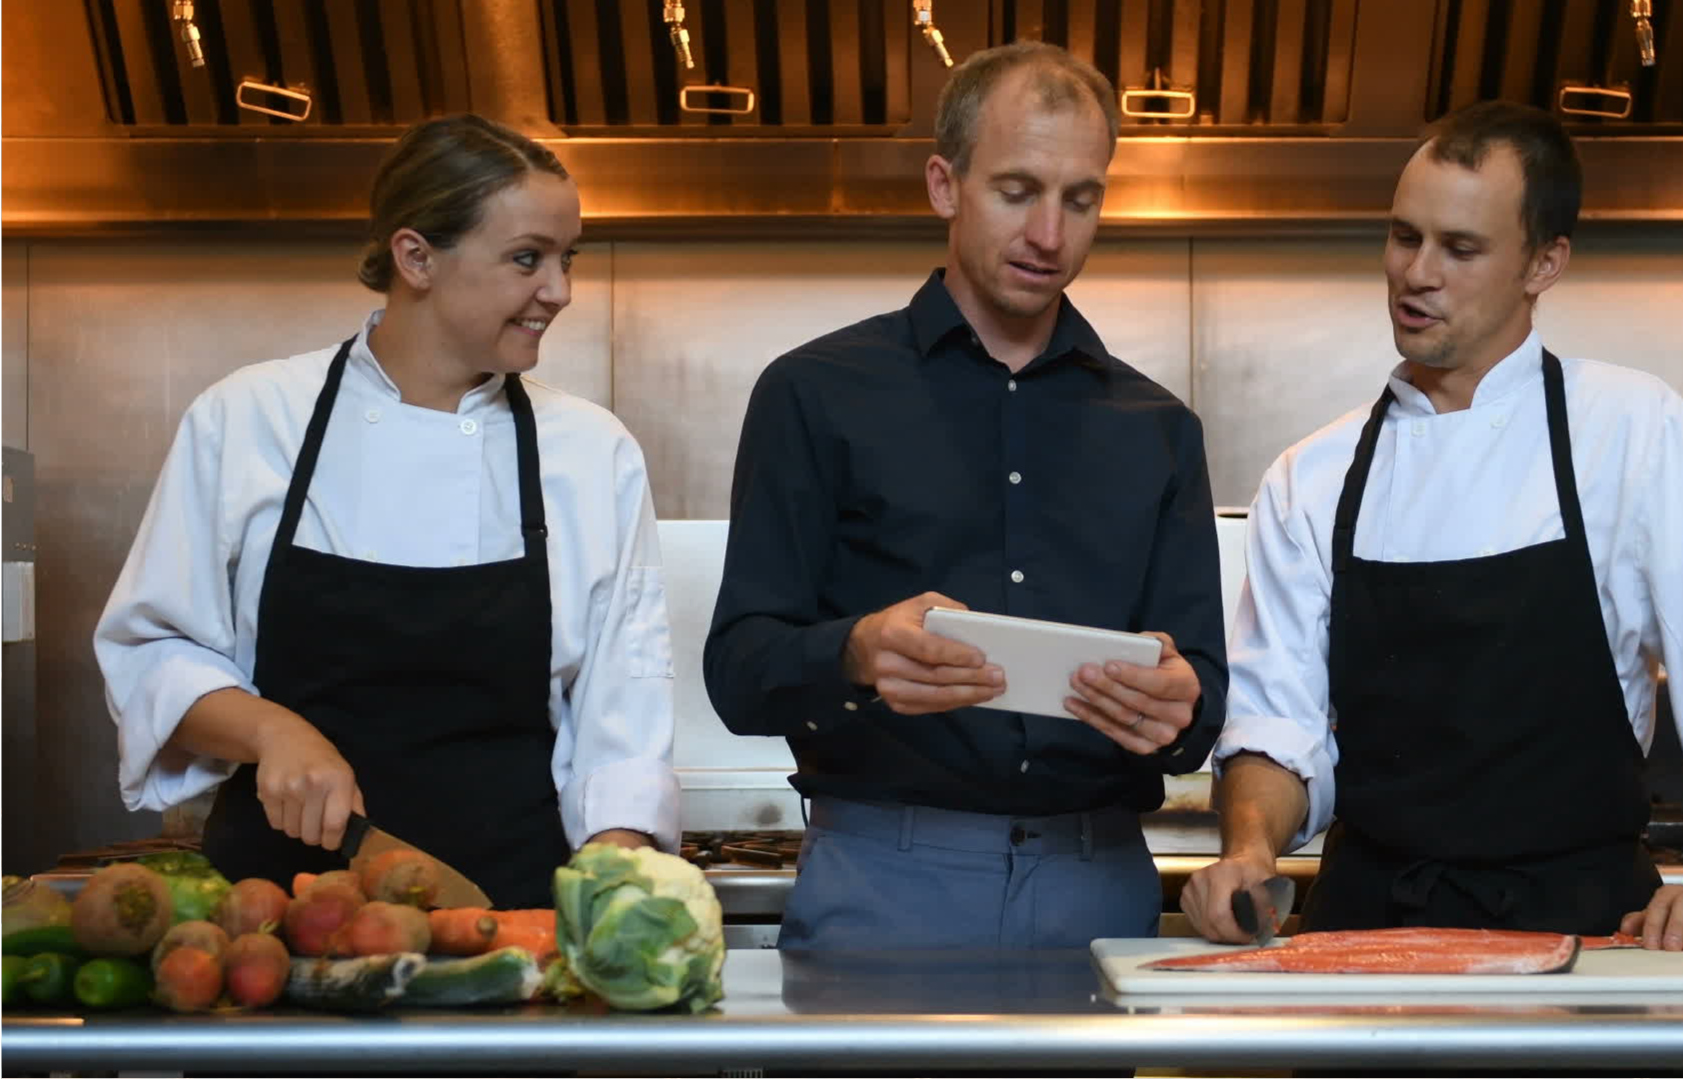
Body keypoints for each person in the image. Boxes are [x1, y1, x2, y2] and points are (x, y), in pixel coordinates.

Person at [1183, 100, 1683, 952]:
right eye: (1403, 236)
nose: (1417, 273)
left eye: (1460, 249)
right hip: (1373, 932)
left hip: (1589, 932)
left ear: (1544, 262)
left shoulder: (1636, 431)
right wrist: (1248, 850)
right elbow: (1276, 725)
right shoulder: (1313, 476)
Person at [704, 41, 1227, 950]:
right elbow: (740, 669)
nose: (1050, 235)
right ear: (945, 185)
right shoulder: (813, 392)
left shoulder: (1160, 427)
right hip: (882, 877)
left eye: (1081, 198)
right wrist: (857, 652)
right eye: (1017, 191)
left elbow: (1206, 690)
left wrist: (1183, 708)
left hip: (1098, 885)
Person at [95, 114, 678, 907]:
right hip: (275, 918)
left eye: (565, 258)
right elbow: (151, 652)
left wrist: (615, 873)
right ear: (416, 257)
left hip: (506, 919)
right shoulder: (250, 418)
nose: (560, 290)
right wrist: (272, 731)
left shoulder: (591, 451)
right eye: (526, 259)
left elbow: (623, 706)